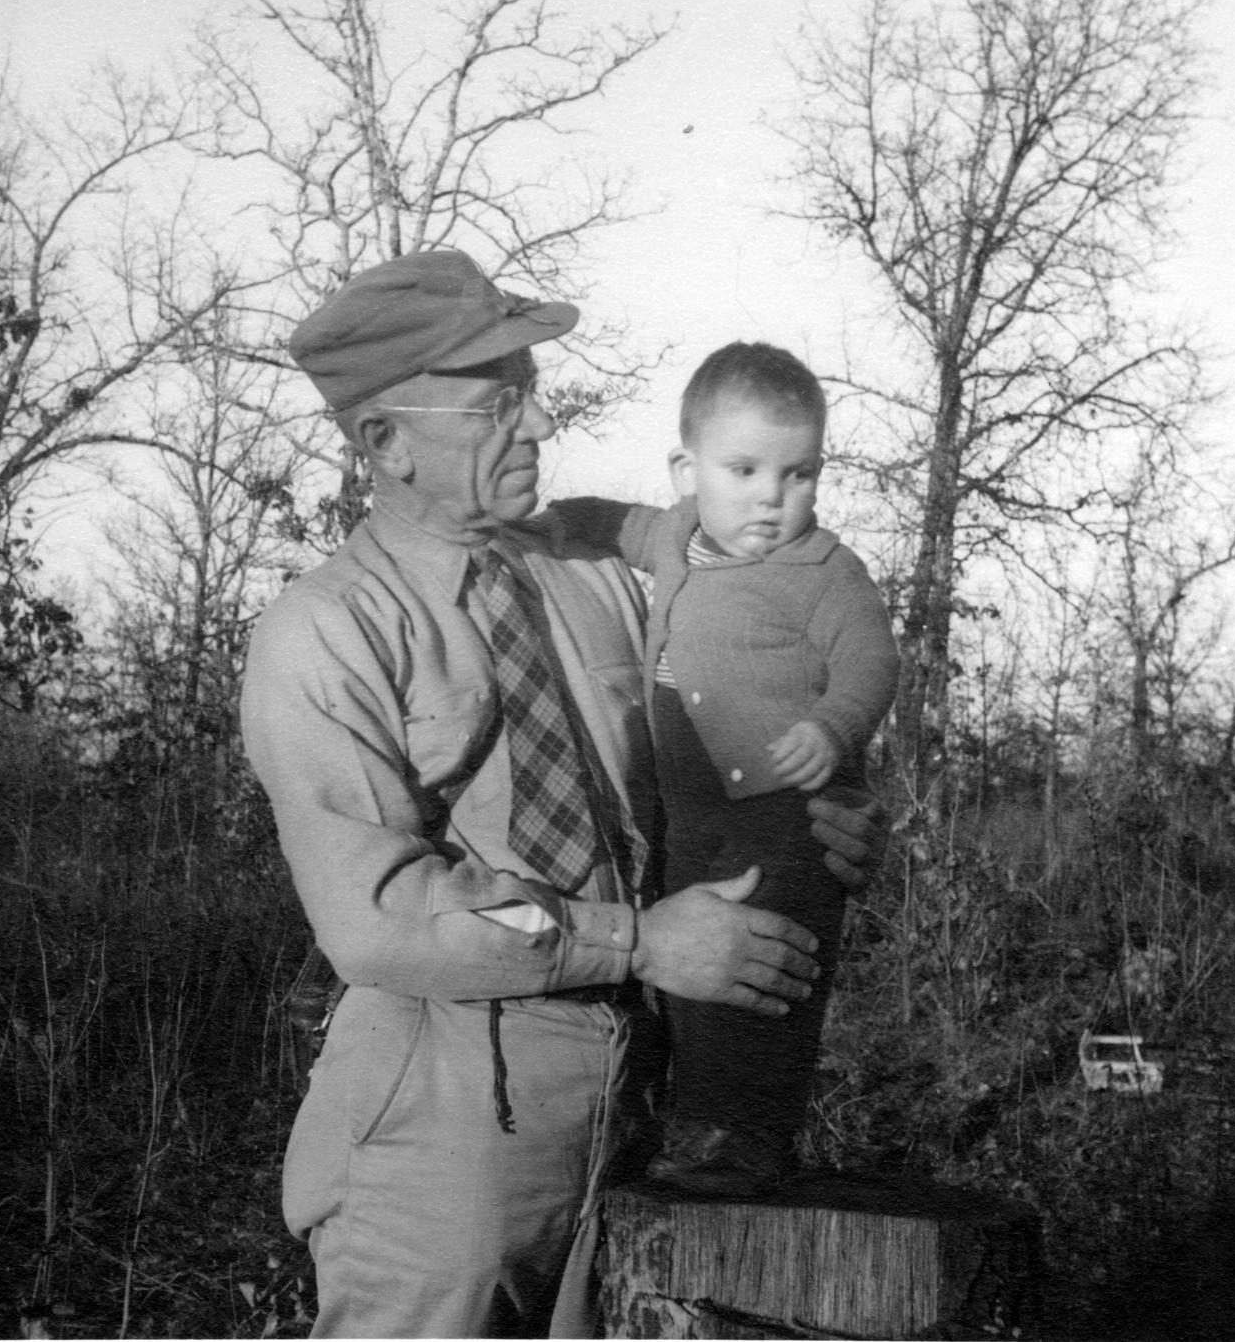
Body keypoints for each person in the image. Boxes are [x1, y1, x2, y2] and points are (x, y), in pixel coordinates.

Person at [240, 251, 887, 1340]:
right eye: (497, 404)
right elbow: (380, 915)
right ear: (385, 442)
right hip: (438, 1146)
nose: (539, 424)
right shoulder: (327, 630)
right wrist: (638, 941)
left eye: (531, 392)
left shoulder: (591, 579)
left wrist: (820, 813)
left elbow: (714, 748)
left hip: (632, 1117)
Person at [551, 341, 899, 1196]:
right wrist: (548, 524)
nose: (771, 497)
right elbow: (612, 522)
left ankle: (745, 1137)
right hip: (689, 812)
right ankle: (686, 1124)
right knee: (688, 967)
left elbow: (870, 660)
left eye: (797, 474)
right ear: (687, 471)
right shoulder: (675, 535)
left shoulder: (825, 571)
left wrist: (833, 726)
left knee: (764, 968)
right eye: (743, 470)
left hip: (782, 814)